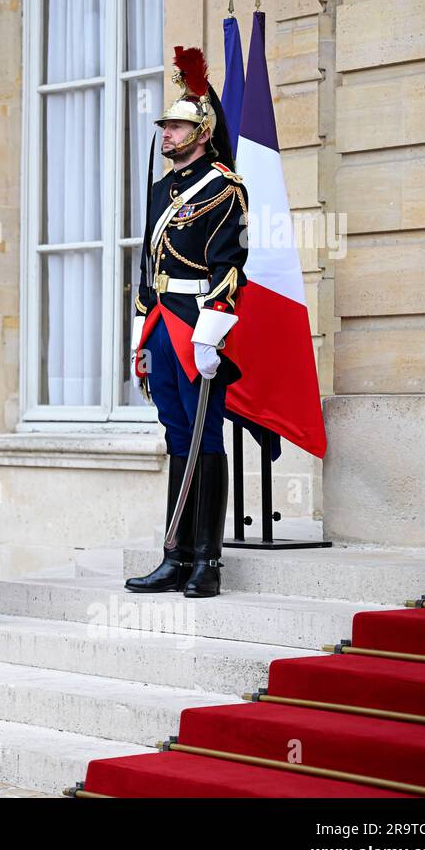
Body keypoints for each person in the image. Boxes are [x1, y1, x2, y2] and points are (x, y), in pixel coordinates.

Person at [125, 46, 249, 599]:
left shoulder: (225, 187)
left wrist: (211, 333)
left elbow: (230, 266)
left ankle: (208, 560)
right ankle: (174, 554)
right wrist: (139, 328)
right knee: (178, 437)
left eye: (176, 125)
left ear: (202, 129)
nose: (167, 133)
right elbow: (147, 267)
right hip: (160, 321)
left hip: (197, 324)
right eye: (166, 125)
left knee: (206, 439)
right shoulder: (160, 191)